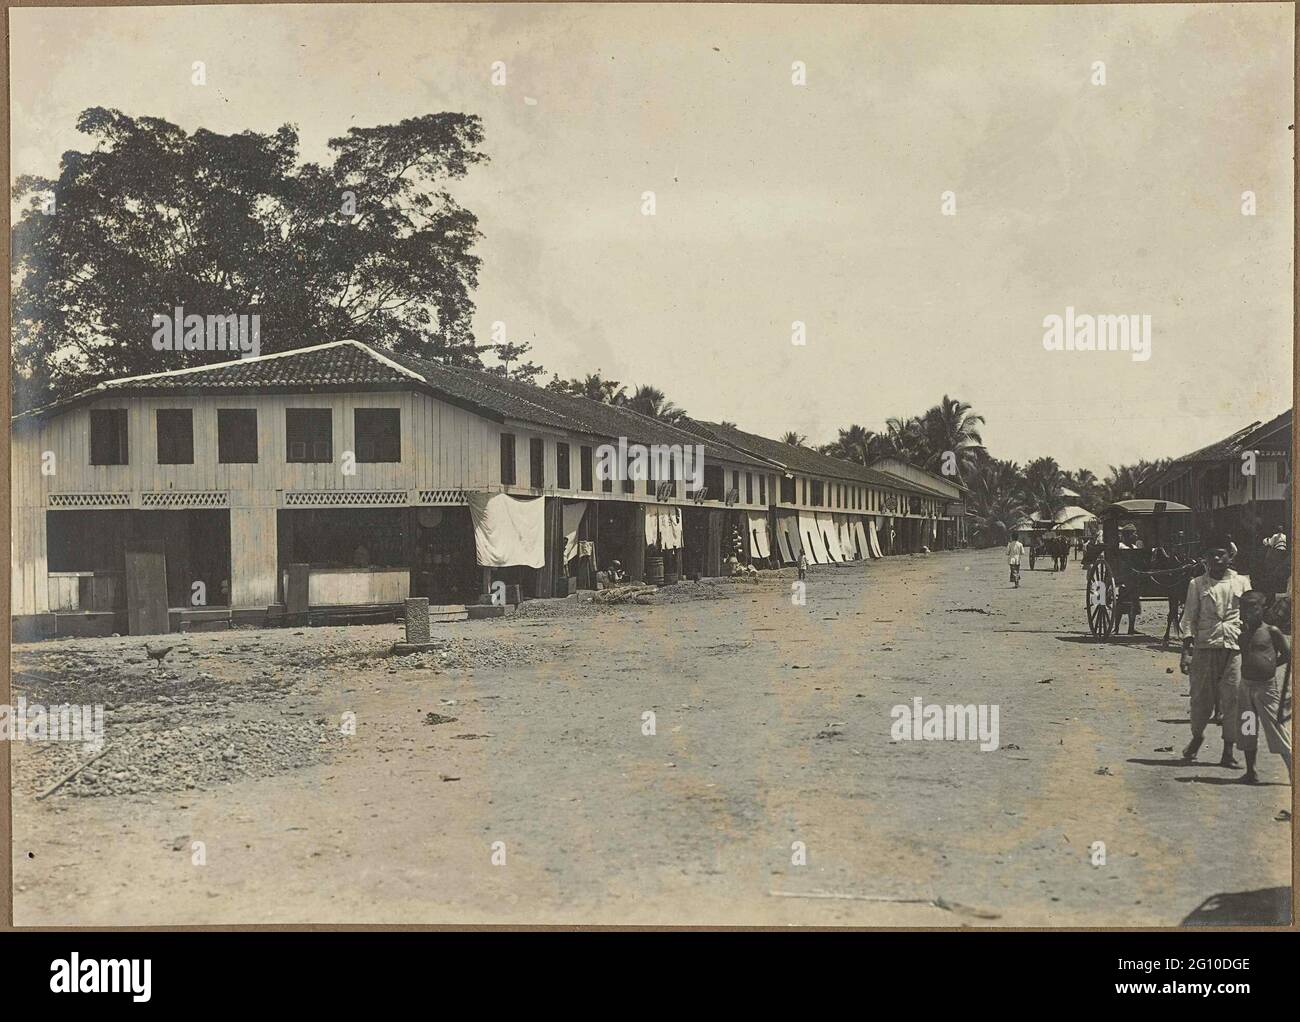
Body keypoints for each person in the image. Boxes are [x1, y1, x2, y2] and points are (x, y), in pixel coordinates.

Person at [1178, 540, 1252, 766]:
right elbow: (1189, 617)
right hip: (1205, 647)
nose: (1217, 559)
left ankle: (1228, 750)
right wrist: (1186, 652)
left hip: (1233, 649)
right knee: (1201, 698)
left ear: (1231, 557)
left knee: (1234, 699)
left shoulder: (1242, 582)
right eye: (1212, 555)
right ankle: (1197, 738)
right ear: (1205, 559)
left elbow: (1250, 616)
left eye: (1221, 555)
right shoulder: (1197, 584)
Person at [1236, 590, 1292, 785]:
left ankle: (1294, 774)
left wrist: (1269, 666)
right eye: (1244, 607)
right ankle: (1251, 771)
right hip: (1246, 688)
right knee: (1248, 730)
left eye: (1253, 607)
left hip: (1266, 689)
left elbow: (1287, 654)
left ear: (1263, 608)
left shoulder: (1271, 631)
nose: (1248, 611)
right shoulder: (1242, 634)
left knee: (1277, 730)